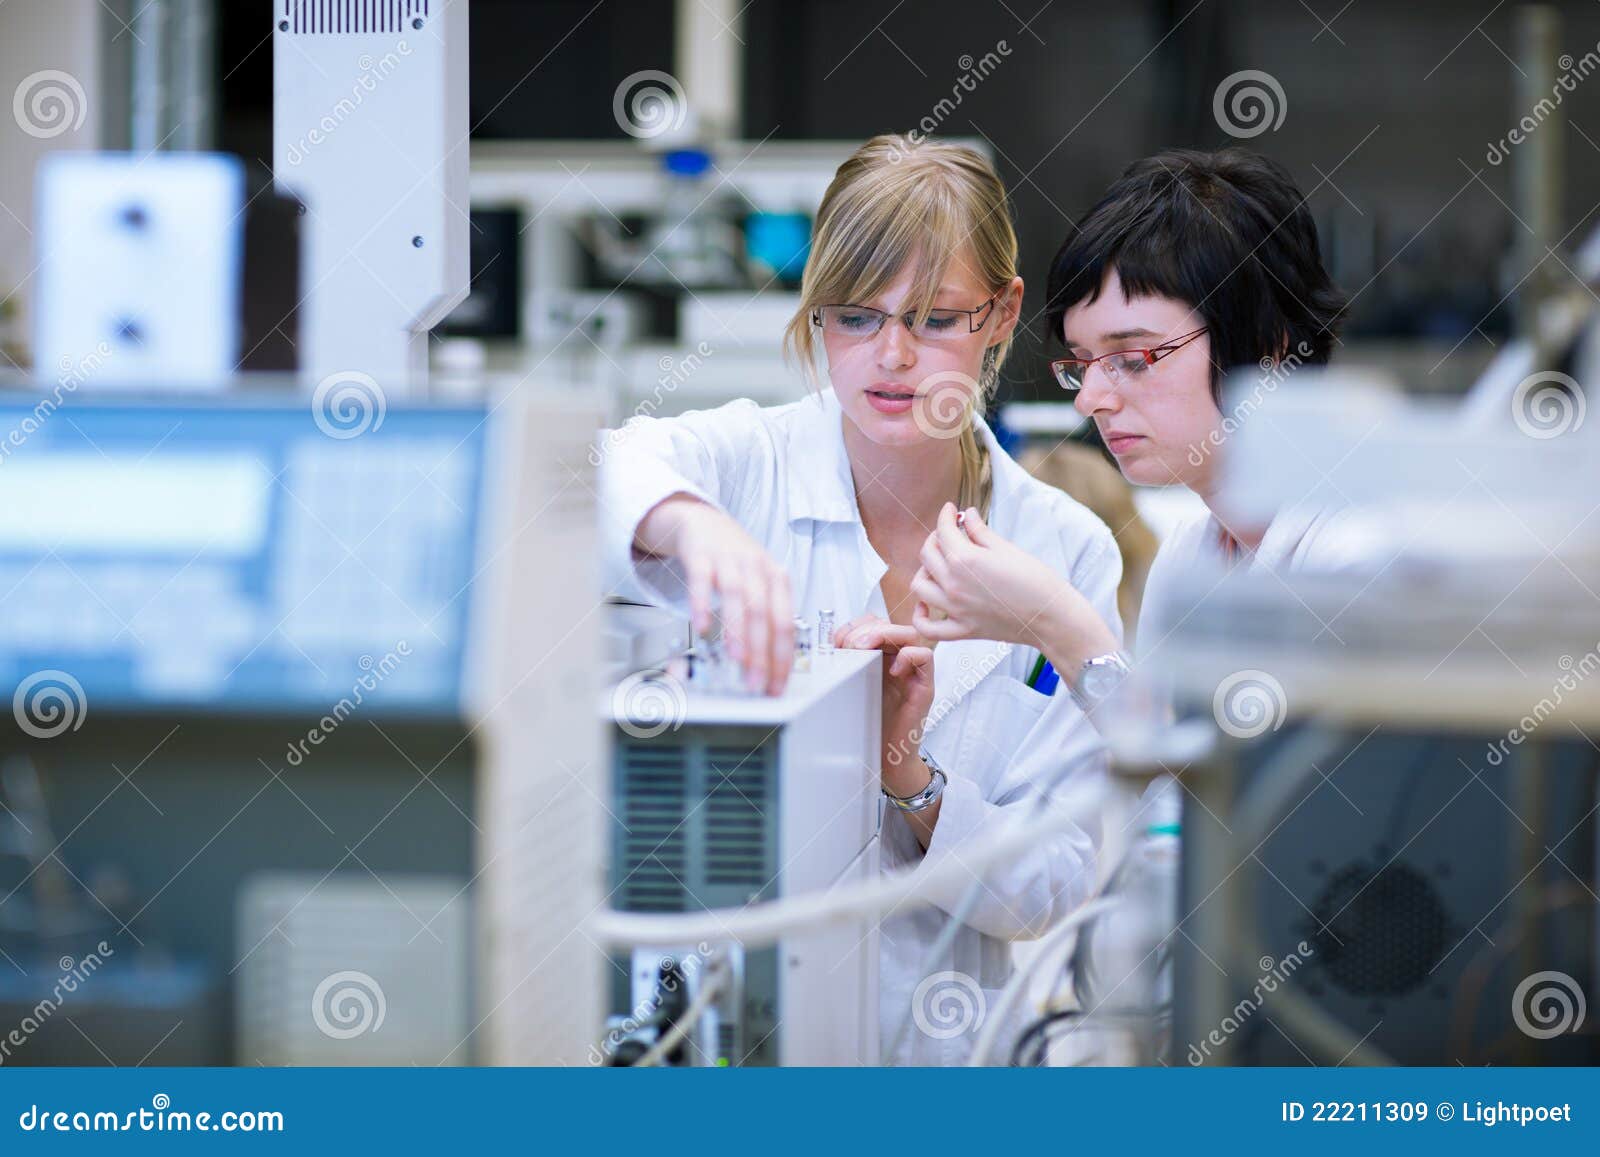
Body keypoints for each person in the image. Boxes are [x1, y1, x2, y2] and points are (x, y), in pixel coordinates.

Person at [598, 133, 1125, 1065]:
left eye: (932, 317)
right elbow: (600, 471)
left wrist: (908, 777)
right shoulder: (749, 464)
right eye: (853, 316)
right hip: (738, 1045)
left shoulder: (1061, 548)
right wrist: (695, 526)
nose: (891, 356)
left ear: (1001, 315)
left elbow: (1049, 882)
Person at [909, 147, 1352, 690]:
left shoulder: (1357, 558)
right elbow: (1170, 771)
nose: (1090, 398)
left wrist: (1058, 624)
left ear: (1268, 347)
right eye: (1083, 362)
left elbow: (1267, 767)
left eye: (1131, 358)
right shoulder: (1188, 557)